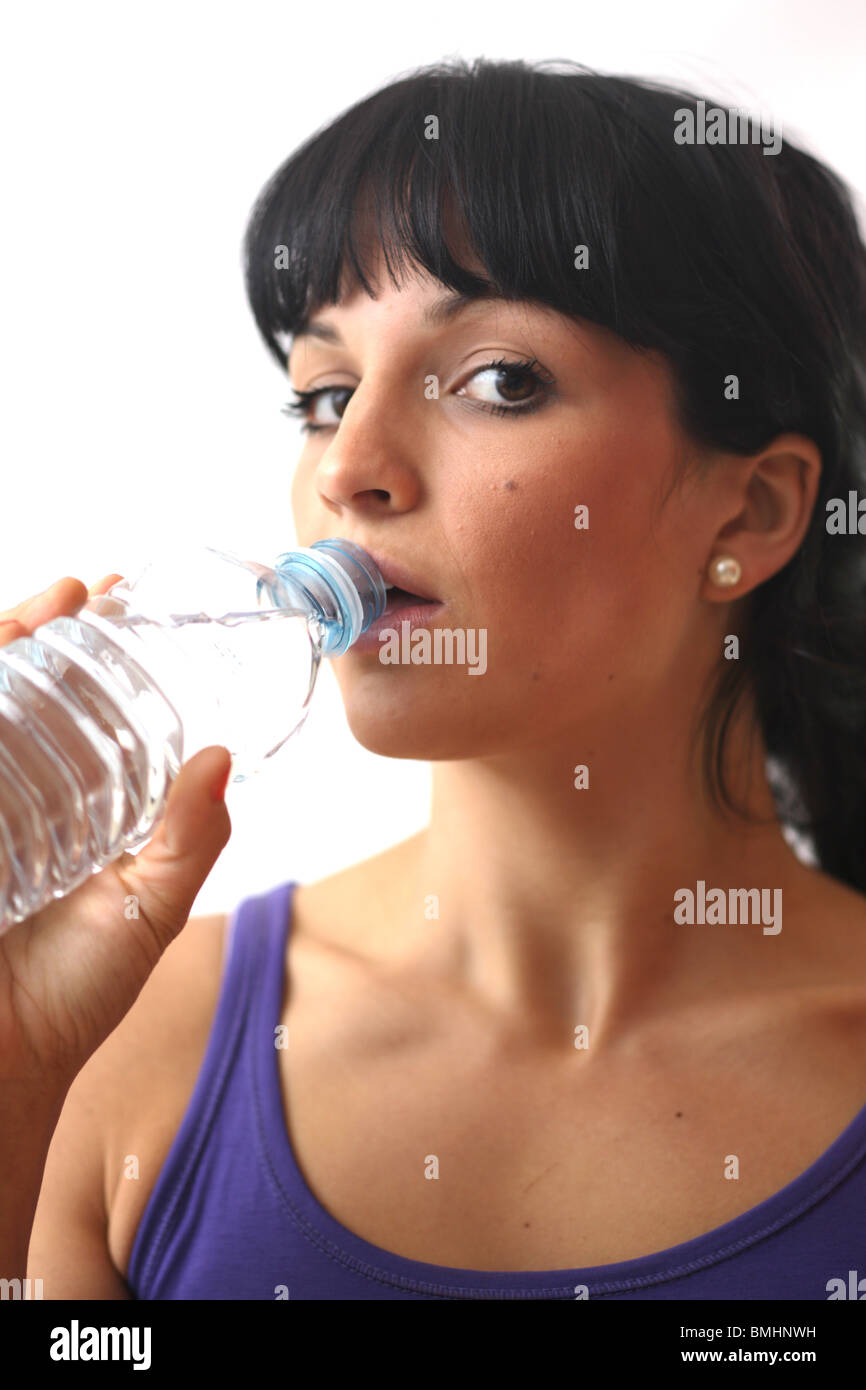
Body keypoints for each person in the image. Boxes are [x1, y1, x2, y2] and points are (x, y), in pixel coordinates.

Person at [5, 56, 866, 1300]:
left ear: (755, 507)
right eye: (322, 392)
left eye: (498, 380)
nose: (349, 467)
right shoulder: (125, 1042)